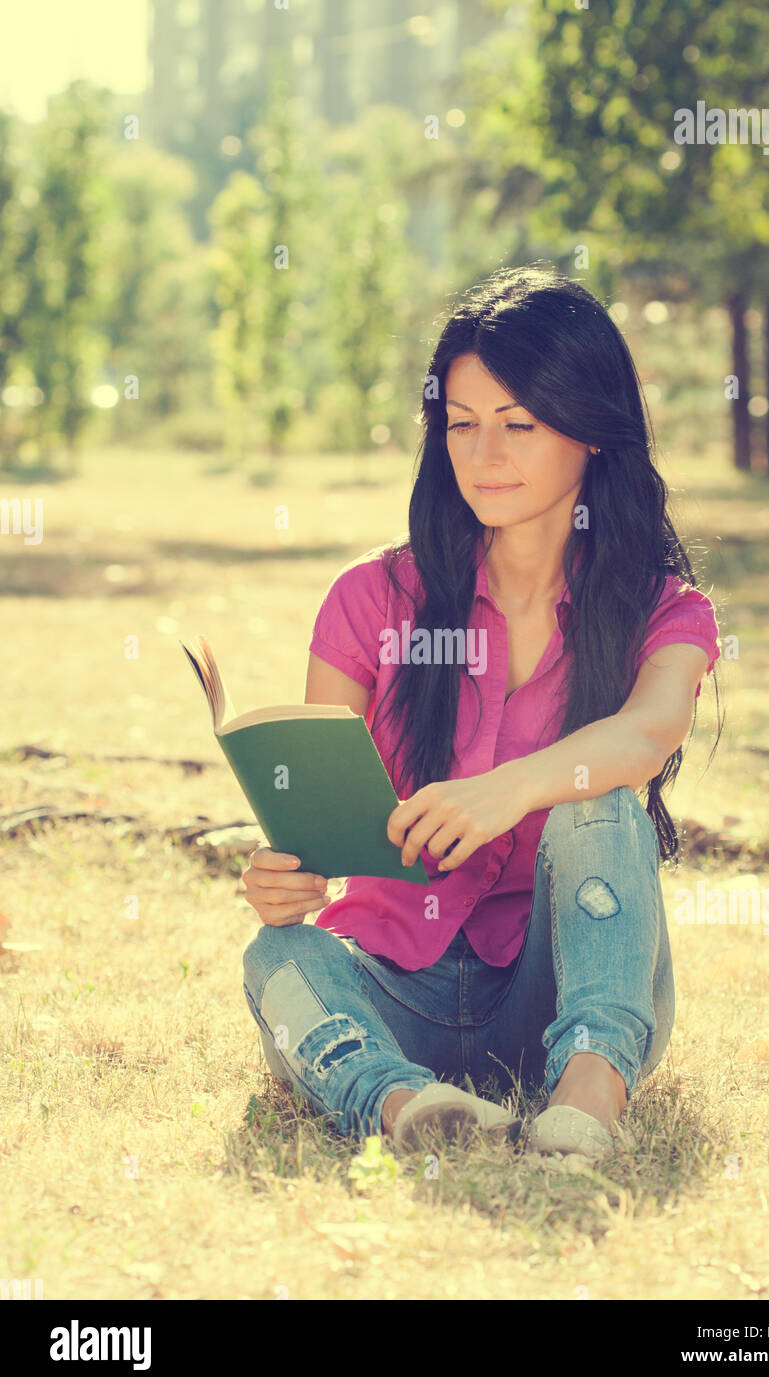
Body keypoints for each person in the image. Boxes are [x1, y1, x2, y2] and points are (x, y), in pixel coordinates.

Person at [241, 264, 722, 1161]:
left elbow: (648, 735)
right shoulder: (369, 599)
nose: (484, 455)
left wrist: (505, 791)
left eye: (519, 425)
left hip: (558, 991)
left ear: (590, 433)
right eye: (461, 425)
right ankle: (408, 1108)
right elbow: (312, 816)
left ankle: (583, 1104)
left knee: (599, 790)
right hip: (391, 985)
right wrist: (280, 874)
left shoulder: (665, 611)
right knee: (275, 960)